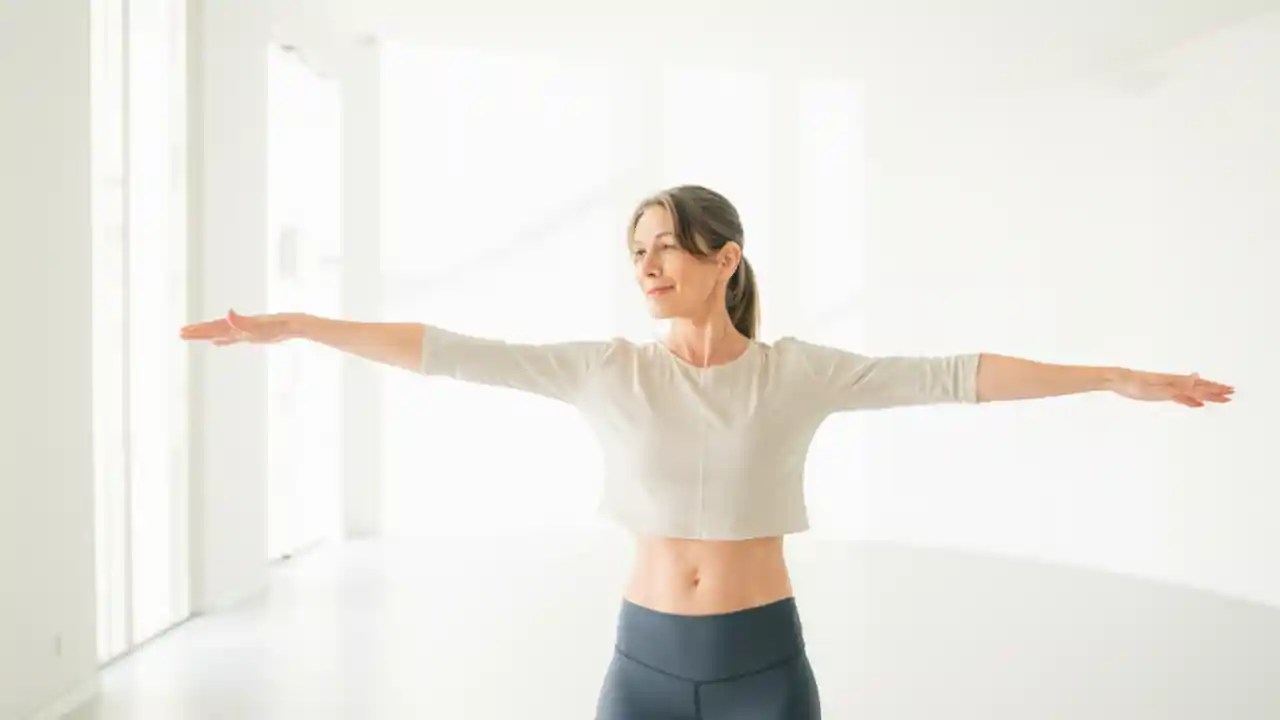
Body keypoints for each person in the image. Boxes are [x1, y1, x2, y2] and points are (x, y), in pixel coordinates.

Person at [180, 184, 1233, 719]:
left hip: (760, 671)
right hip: (639, 666)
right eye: (634, 251)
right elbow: (445, 352)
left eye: (665, 246)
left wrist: (1110, 375)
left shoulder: (798, 373)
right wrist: (300, 325)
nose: (646, 265)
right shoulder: (607, 370)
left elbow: (958, 375)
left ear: (724, 258)